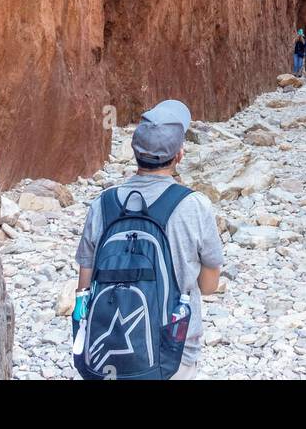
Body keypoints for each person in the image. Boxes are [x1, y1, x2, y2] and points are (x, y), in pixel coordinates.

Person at [74, 99, 223, 380]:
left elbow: (84, 287)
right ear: (179, 155)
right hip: (174, 353)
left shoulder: (102, 205)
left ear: (134, 152)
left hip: (105, 352)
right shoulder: (194, 205)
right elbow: (208, 286)